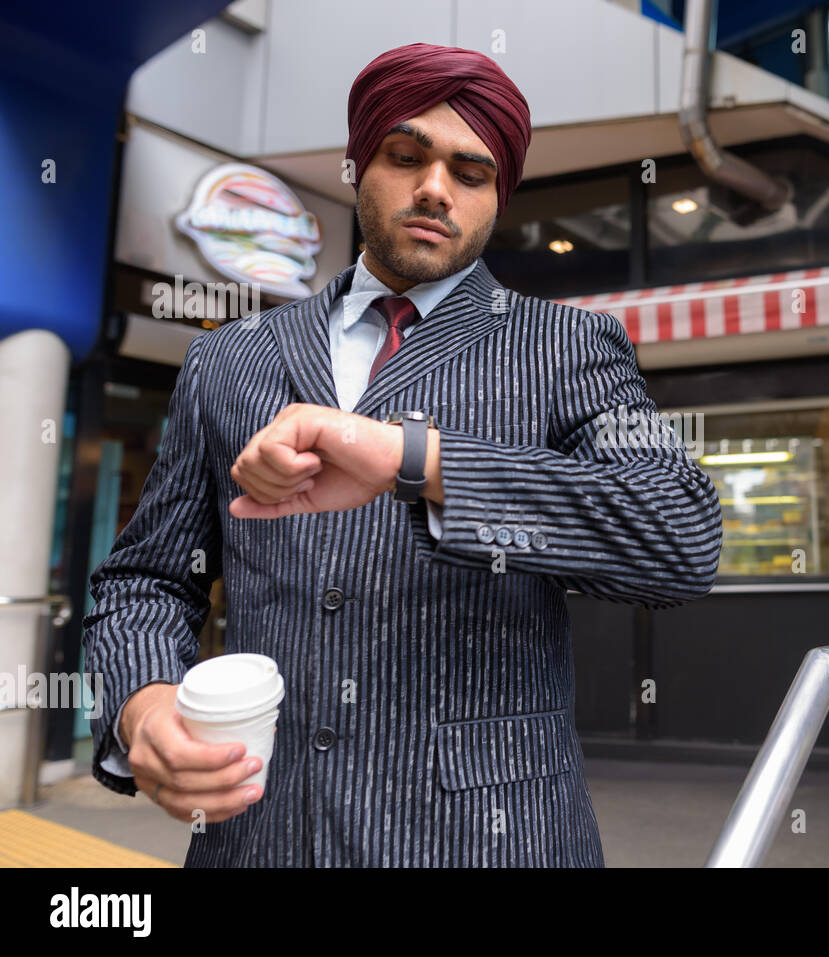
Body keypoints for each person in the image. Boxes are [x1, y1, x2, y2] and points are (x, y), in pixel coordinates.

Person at [82, 42, 722, 867]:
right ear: (358, 163)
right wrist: (144, 705)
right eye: (406, 155)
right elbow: (149, 578)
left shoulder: (568, 348)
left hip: (490, 842)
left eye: (470, 171)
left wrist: (413, 459)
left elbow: (679, 535)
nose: (434, 188)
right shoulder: (228, 359)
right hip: (261, 836)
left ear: (498, 196)